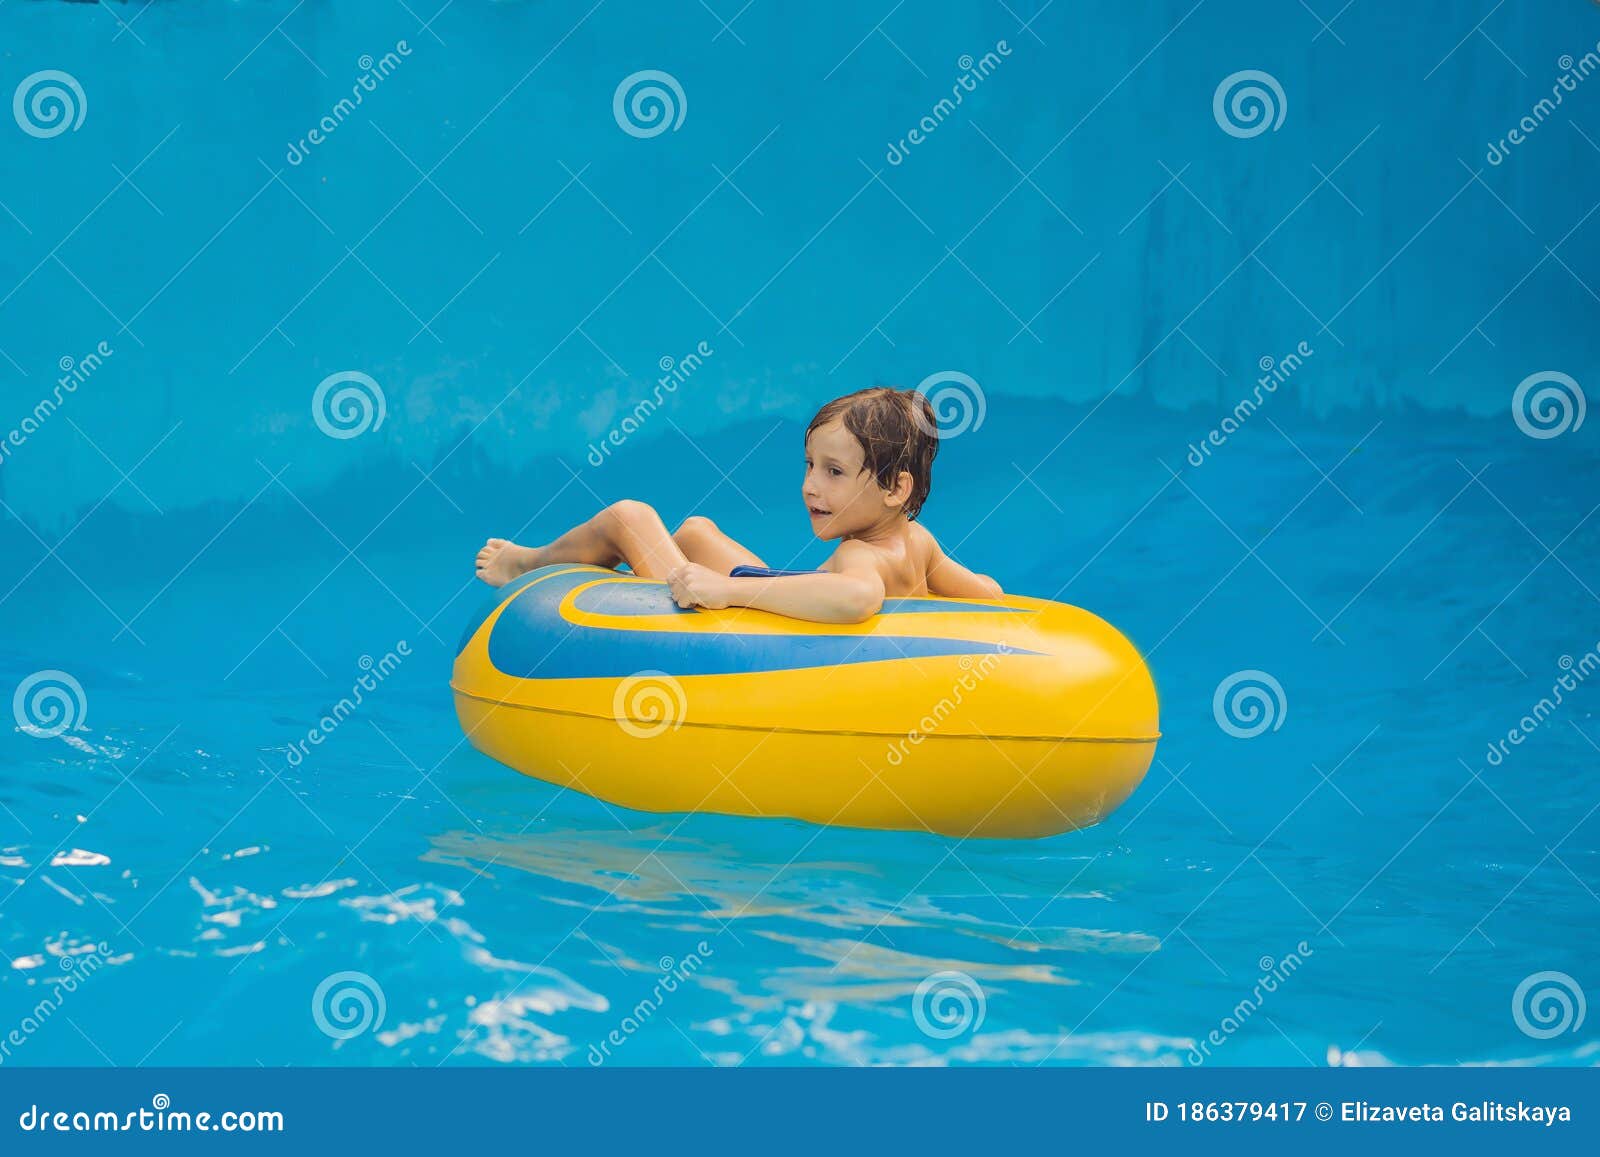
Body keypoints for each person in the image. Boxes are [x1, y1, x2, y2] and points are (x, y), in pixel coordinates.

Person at [473, 386, 1002, 623]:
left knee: (628, 516)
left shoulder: (859, 557)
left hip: (734, 620)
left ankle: (528, 563)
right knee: (698, 531)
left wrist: (724, 589)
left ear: (896, 488)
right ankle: (644, 572)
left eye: (834, 472)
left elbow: (857, 600)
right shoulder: (918, 542)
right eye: (809, 465)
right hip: (775, 583)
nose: (810, 487)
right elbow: (988, 593)